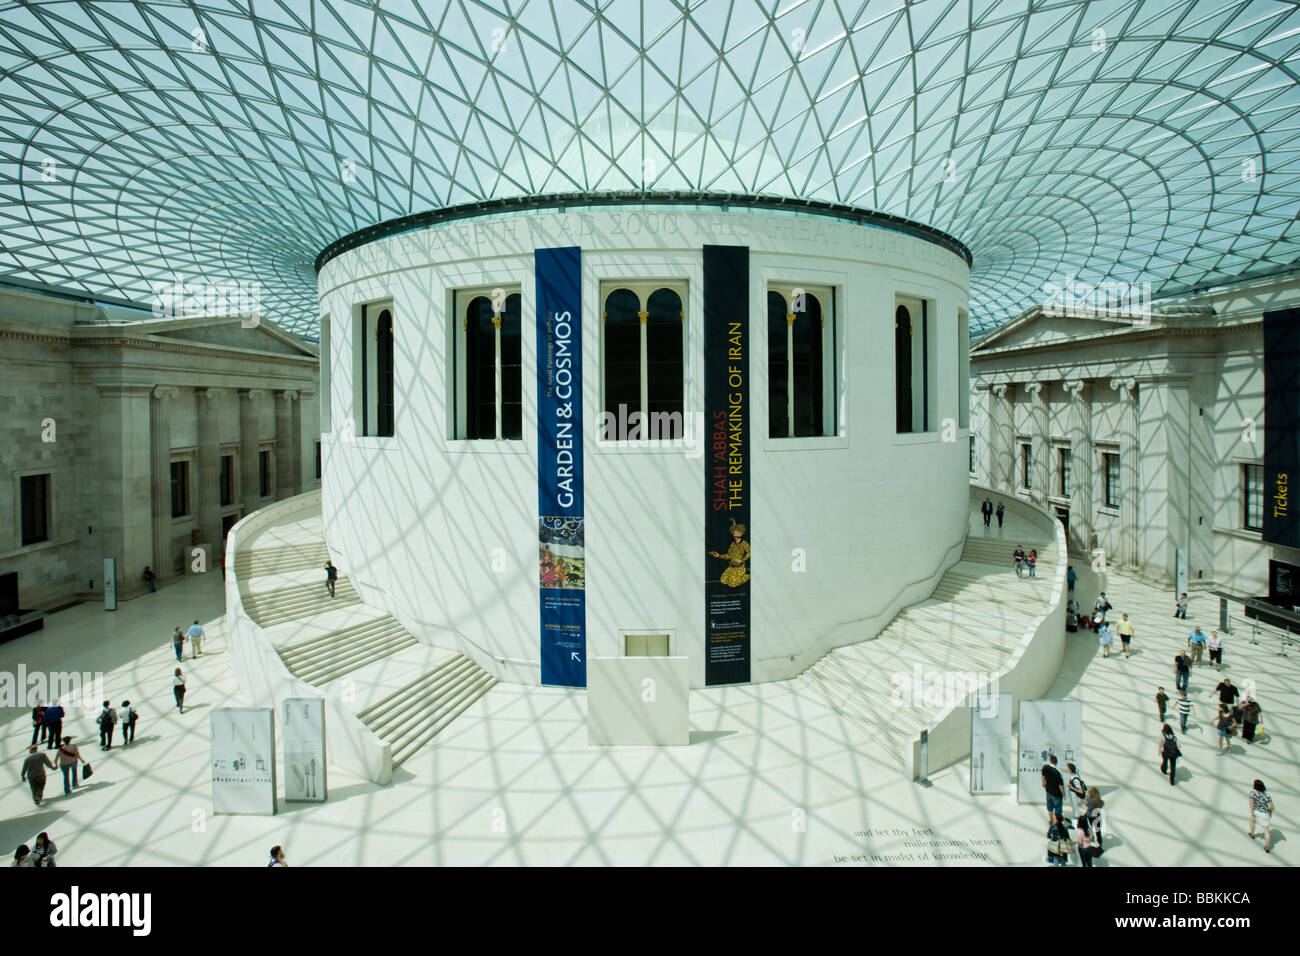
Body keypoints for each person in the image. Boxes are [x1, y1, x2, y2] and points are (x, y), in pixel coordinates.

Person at [1249, 780, 1274, 853]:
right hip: (1265, 814)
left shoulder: (1253, 793)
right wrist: (1270, 812)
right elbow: (1272, 807)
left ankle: (1252, 834)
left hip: (1256, 812)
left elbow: (1251, 804)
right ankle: (1267, 847)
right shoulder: (1267, 795)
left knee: (1252, 821)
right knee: (1267, 831)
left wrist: (1252, 812)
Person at [1041, 754, 1065, 825]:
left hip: (1048, 791)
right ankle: (1056, 822)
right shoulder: (1058, 772)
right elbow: (1061, 786)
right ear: (1056, 762)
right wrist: (1064, 794)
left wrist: (1043, 783)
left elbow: (1043, 776)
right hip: (1057, 794)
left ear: (1050, 761)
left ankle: (1050, 819)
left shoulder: (1045, 767)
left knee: (1050, 806)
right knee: (1058, 808)